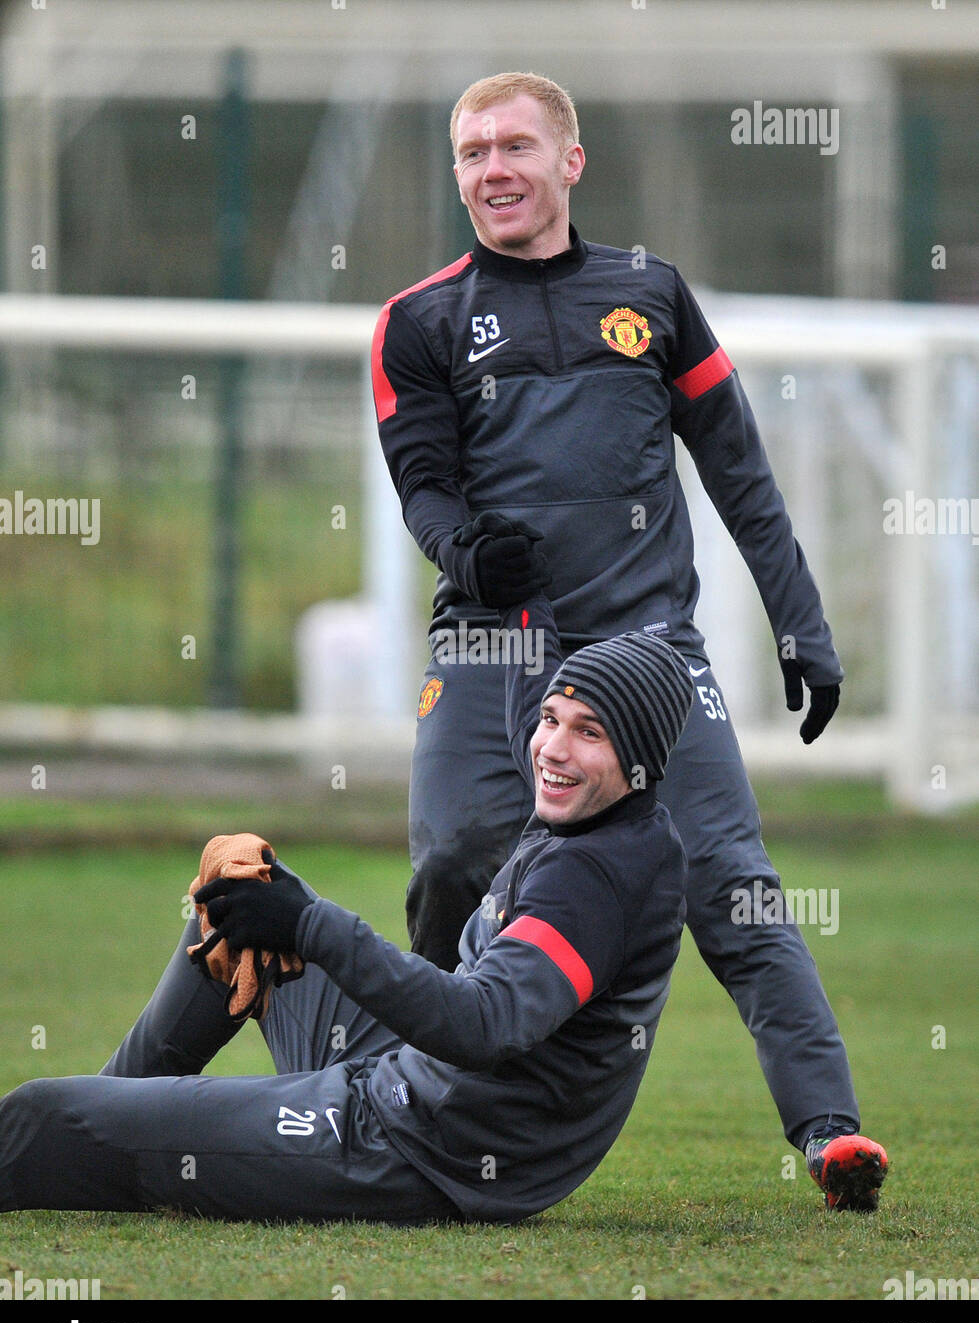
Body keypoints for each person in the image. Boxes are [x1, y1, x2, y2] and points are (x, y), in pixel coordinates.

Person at [370, 71, 888, 1209]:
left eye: (514, 145)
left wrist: (800, 624)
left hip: (652, 655)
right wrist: (466, 555)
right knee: (457, 856)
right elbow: (423, 488)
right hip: (494, 647)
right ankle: (397, 1092)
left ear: (570, 161)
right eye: (469, 152)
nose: (491, 169)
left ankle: (830, 1132)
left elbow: (738, 473)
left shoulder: (650, 294)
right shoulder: (417, 321)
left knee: (733, 887)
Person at [0, 575, 695, 1225]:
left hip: (421, 1148)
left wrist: (310, 924)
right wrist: (521, 602)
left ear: (637, 759)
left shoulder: (596, 881)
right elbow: (532, 718)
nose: (552, 748)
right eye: (553, 717)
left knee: (41, 1117)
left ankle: (92, 1130)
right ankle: (117, 1111)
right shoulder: (595, 801)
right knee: (244, 897)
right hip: (416, 1085)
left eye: (587, 731)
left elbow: (485, 1025)